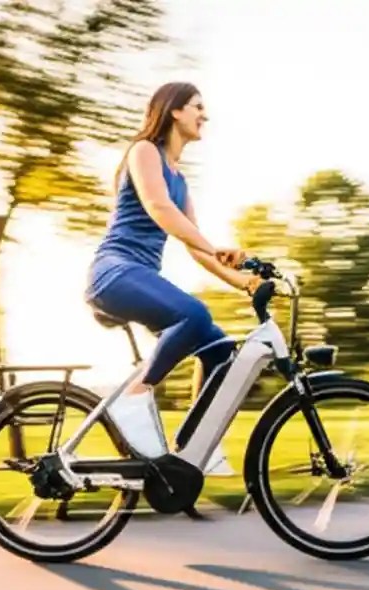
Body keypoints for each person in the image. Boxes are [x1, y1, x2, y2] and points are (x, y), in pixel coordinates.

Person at [85, 81, 262, 474]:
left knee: (218, 349)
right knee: (195, 315)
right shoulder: (144, 151)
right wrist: (214, 246)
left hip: (138, 276)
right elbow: (159, 208)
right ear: (174, 110)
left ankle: (192, 448)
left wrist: (245, 283)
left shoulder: (181, 179)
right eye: (198, 106)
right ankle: (134, 397)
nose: (205, 115)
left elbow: (197, 248)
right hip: (114, 272)